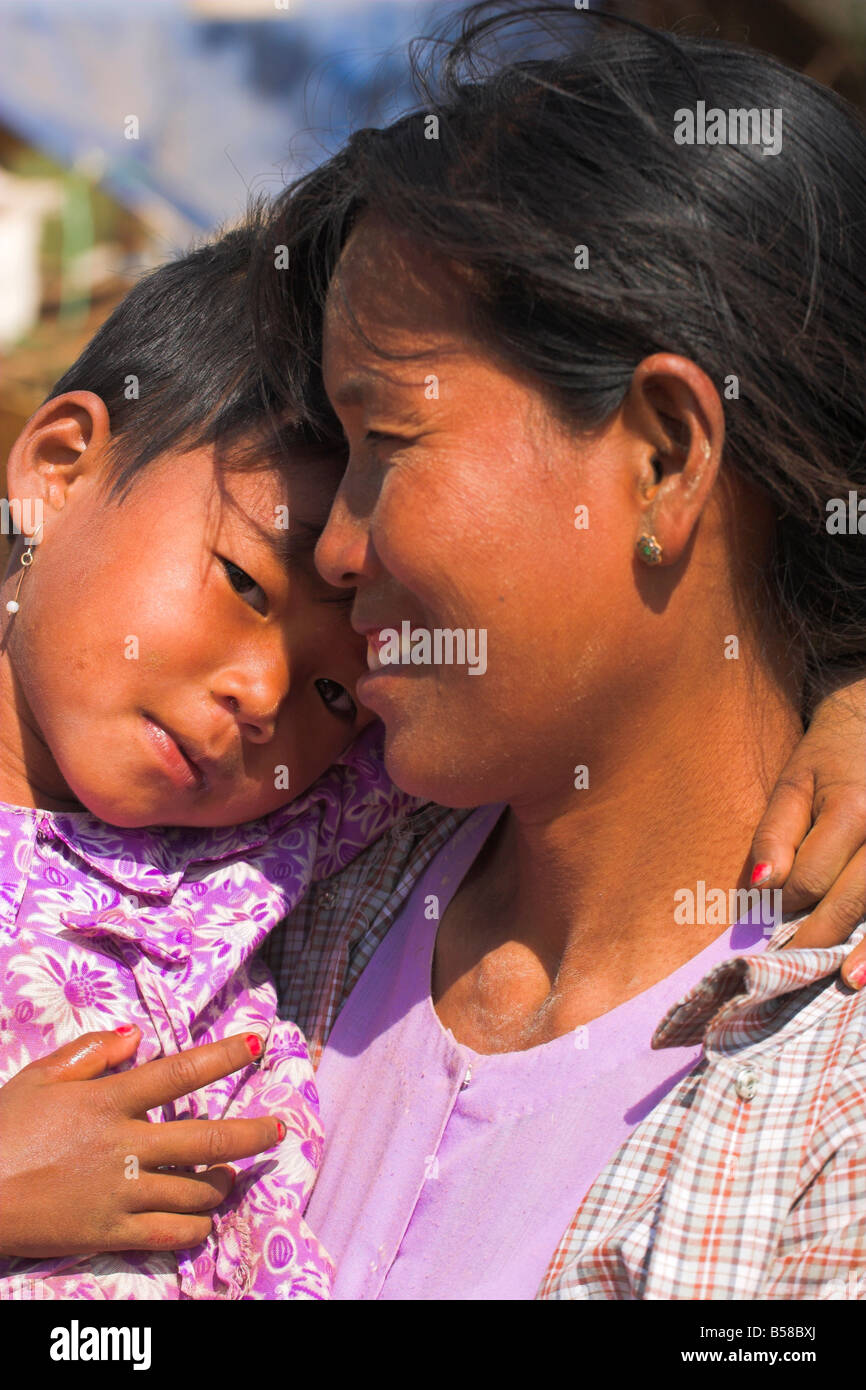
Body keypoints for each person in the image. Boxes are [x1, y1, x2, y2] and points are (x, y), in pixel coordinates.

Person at [255, 5, 866, 1298]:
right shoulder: (289, 886)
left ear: (660, 456)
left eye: (388, 437)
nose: (334, 549)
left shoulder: (826, 1112)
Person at [0, 213, 412, 1299]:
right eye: (243, 584)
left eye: (335, 689)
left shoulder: (277, 834)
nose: (266, 696)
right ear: (58, 470)